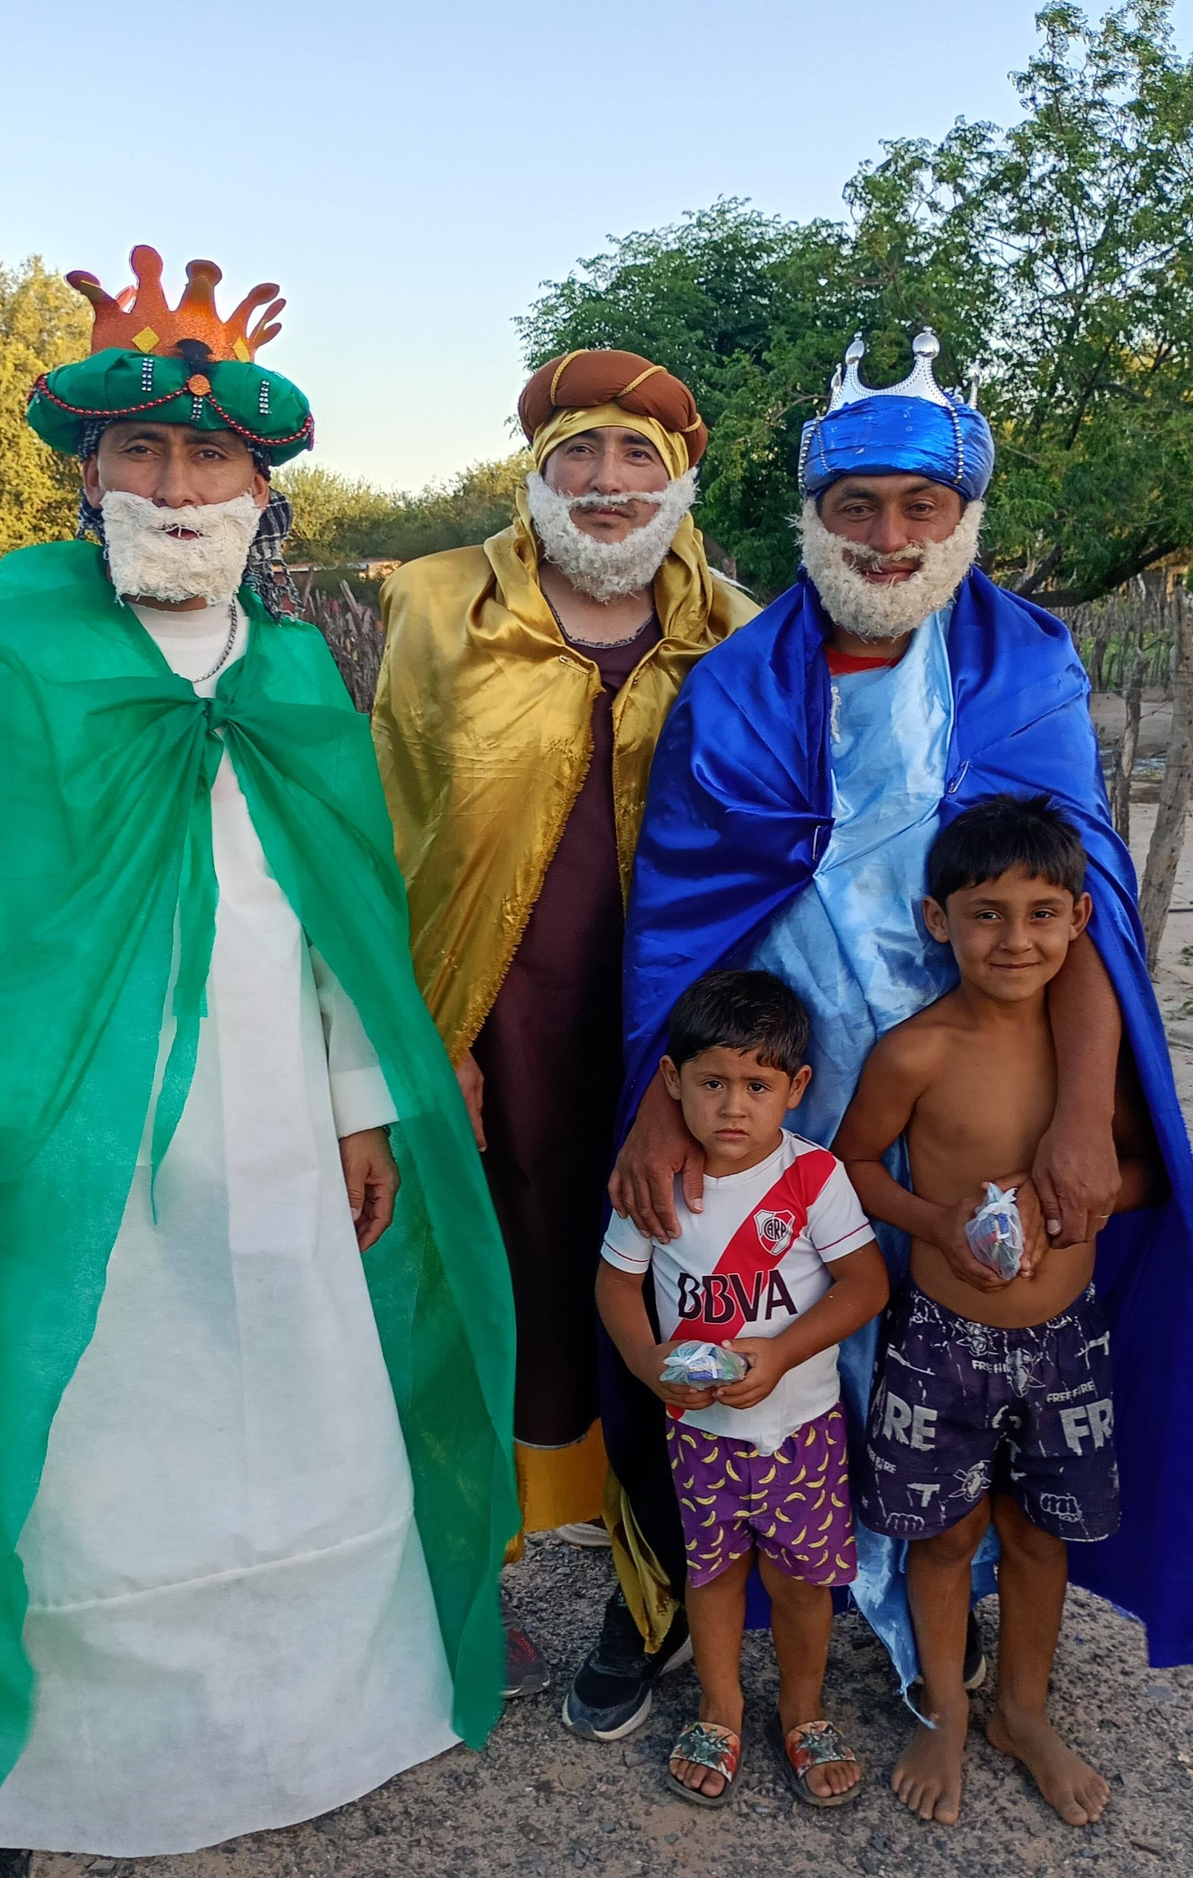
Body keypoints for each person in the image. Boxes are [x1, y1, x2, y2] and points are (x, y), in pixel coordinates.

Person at [0, 246, 517, 1878]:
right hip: (69, 1136)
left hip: (276, 1122)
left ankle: (296, 1702)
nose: (170, 485)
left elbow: (340, 916)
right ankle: (7, 1794)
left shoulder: (297, 674)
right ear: (89, 473)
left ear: (257, 489)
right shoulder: (12, 639)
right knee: (65, 1431)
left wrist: (366, 1097)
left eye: (204, 460)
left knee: (280, 1388)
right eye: (139, 452)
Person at [598, 325, 1193, 1730]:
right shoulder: (727, 693)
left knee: (969, 1326)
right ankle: (831, 1583)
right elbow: (680, 930)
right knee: (814, 1325)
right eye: (856, 506)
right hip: (784, 1094)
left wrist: (1083, 1115)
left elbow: (1077, 915)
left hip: (987, 1091)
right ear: (811, 516)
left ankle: (937, 1610)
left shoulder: (1025, 668)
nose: (888, 535)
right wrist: (670, 1097)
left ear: (963, 517)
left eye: (920, 507)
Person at [373, 349, 757, 1708]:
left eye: (634, 459)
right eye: (576, 457)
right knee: (476, 1290)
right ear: (533, 474)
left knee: (665, 1286)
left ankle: (644, 1599)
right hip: (493, 1030)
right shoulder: (437, 608)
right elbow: (392, 824)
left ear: (679, 482)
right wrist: (434, 1037)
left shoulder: (734, 630)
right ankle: (455, 1579)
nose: (604, 486)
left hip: (665, 1041)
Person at [837, 797, 1155, 1825]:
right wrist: (937, 1221)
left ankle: (1023, 1707)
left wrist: (1076, 1192)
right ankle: (945, 1710)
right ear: (937, 919)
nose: (1014, 938)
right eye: (985, 912)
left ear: (1076, 921)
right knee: (941, 1535)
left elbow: (1151, 1174)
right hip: (940, 1343)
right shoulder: (915, 1052)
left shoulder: (1097, 1066)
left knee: (1038, 1535)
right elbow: (848, 1165)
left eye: (1040, 912)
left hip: (1067, 1344)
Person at [598, 971, 888, 1807]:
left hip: (801, 1430)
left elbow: (865, 1287)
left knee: (802, 1582)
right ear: (672, 1083)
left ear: (795, 1089)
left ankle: (803, 1707)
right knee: (714, 1572)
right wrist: (649, 1363)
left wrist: (783, 1350)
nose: (733, 1106)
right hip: (701, 1434)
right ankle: (720, 1707)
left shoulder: (816, 1178)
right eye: (712, 1082)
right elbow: (616, 1287)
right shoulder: (654, 1186)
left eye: (757, 1086)